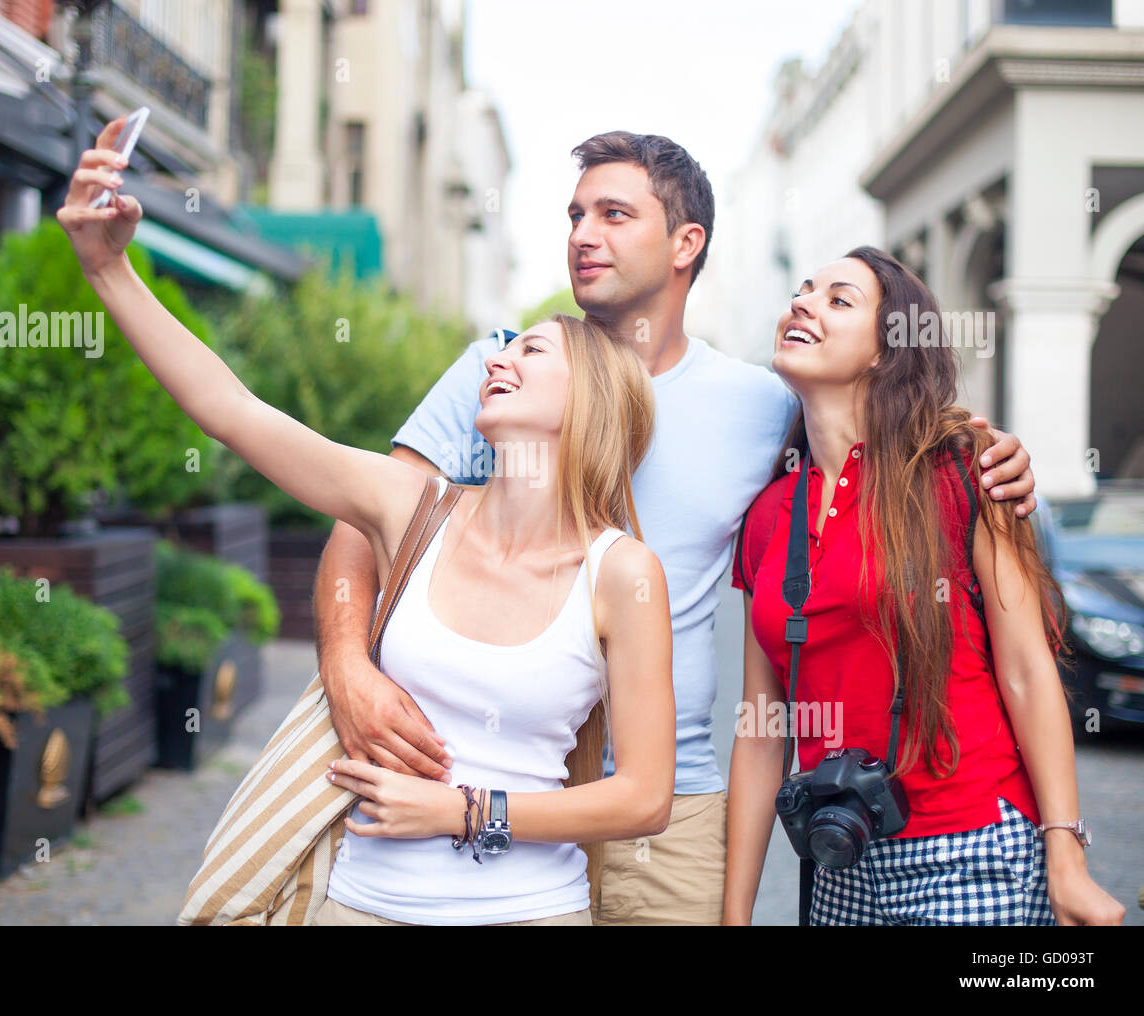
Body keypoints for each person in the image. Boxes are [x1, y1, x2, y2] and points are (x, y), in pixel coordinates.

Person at [312, 131, 1040, 925]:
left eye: (614, 214)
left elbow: (877, 424)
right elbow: (365, 528)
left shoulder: (762, 405)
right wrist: (347, 664)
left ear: (687, 242)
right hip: (486, 780)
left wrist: (983, 444)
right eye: (576, 215)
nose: (584, 235)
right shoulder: (500, 371)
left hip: (670, 809)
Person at [58, 117, 676, 926]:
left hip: (529, 911)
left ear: (589, 397)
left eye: (529, 354)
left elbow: (644, 798)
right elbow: (234, 412)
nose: (496, 361)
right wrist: (109, 272)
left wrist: (464, 811)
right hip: (360, 906)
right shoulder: (410, 504)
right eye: (503, 350)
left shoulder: (622, 572)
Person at [722, 247, 1125, 926]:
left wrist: (1067, 852)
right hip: (842, 861)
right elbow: (763, 732)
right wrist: (734, 917)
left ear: (888, 350)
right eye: (803, 291)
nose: (803, 303)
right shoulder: (768, 516)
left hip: (974, 848)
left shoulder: (962, 471)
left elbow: (1028, 672)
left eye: (838, 300)